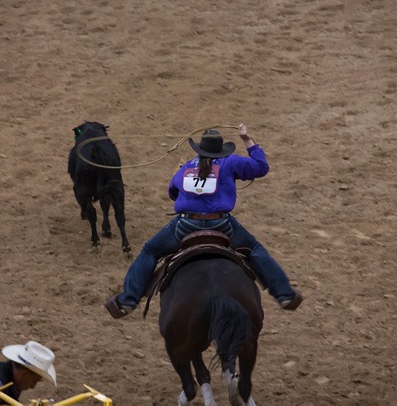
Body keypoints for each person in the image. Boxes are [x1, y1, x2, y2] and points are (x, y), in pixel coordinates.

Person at [104, 124, 303, 318]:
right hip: (222, 226)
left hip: (185, 225)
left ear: (199, 149)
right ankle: (284, 294)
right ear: (221, 150)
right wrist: (247, 140)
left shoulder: (187, 168)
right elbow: (261, 167)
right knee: (255, 250)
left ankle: (129, 300)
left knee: (150, 251)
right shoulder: (230, 162)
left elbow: (173, 192)